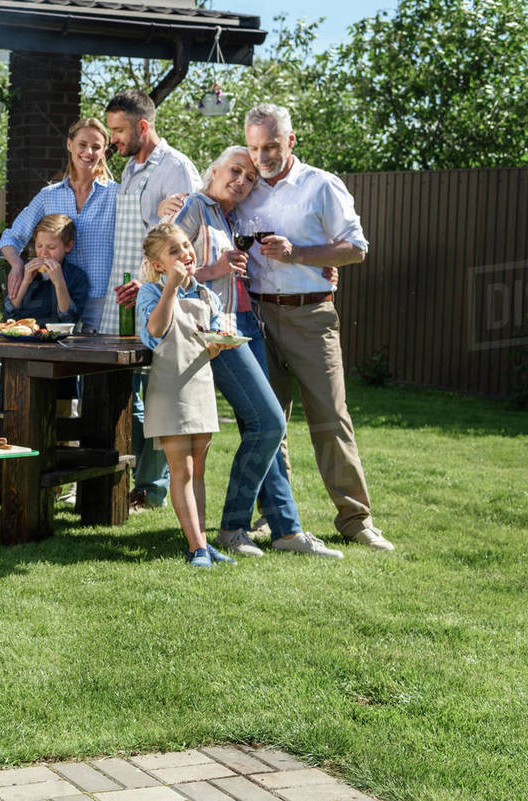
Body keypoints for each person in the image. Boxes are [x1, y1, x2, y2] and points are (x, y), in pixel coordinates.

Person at [171, 146, 341, 558]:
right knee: (268, 422)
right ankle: (234, 526)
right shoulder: (195, 207)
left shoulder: (235, 218)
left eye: (249, 177)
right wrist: (213, 270)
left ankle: (286, 531)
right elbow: (163, 261)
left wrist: (320, 268)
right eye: (235, 171)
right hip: (215, 331)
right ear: (213, 171)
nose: (242, 181)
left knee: (265, 426)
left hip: (246, 323)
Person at [239, 103, 392, 550]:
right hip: (257, 316)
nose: (262, 157)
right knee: (268, 423)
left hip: (310, 315)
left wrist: (300, 254)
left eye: (270, 146)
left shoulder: (322, 185)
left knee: (330, 419)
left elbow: (356, 248)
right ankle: (274, 515)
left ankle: (355, 520)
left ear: (291, 141)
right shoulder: (245, 187)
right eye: (254, 148)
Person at [101, 90, 201, 512]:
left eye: (120, 130)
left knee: (157, 396)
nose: (113, 140)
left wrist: (165, 217)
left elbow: (187, 235)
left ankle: (152, 489)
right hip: (131, 293)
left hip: (163, 297)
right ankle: (131, 480)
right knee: (133, 394)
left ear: (143, 126)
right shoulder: (128, 167)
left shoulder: (176, 167)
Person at [135, 223, 236, 568]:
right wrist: (171, 290)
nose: (185, 254)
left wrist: (217, 345)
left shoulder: (208, 296)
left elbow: (213, 344)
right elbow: (155, 332)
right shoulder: (150, 293)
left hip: (200, 387)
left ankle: (202, 542)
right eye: (173, 251)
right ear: (159, 265)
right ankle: (196, 549)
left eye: (185, 246)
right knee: (182, 471)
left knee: (199, 471)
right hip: (170, 390)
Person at [0, 118, 116, 311]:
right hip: (58, 306)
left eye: (96, 147)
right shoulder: (48, 196)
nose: (89, 152)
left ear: (103, 151)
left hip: (102, 304)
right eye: (82, 145)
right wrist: (17, 265)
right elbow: (10, 238)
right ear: (69, 145)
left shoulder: (117, 195)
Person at [2, 214, 89, 325]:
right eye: (39, 246)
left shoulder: (77, 276)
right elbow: (8, 313)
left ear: (68, 246)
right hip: (24, 335)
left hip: (56, 339)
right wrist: (25, 281)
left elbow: (69, 319)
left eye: (51, 247)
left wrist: (59, 282)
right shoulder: (24, 270)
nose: (44, 253)